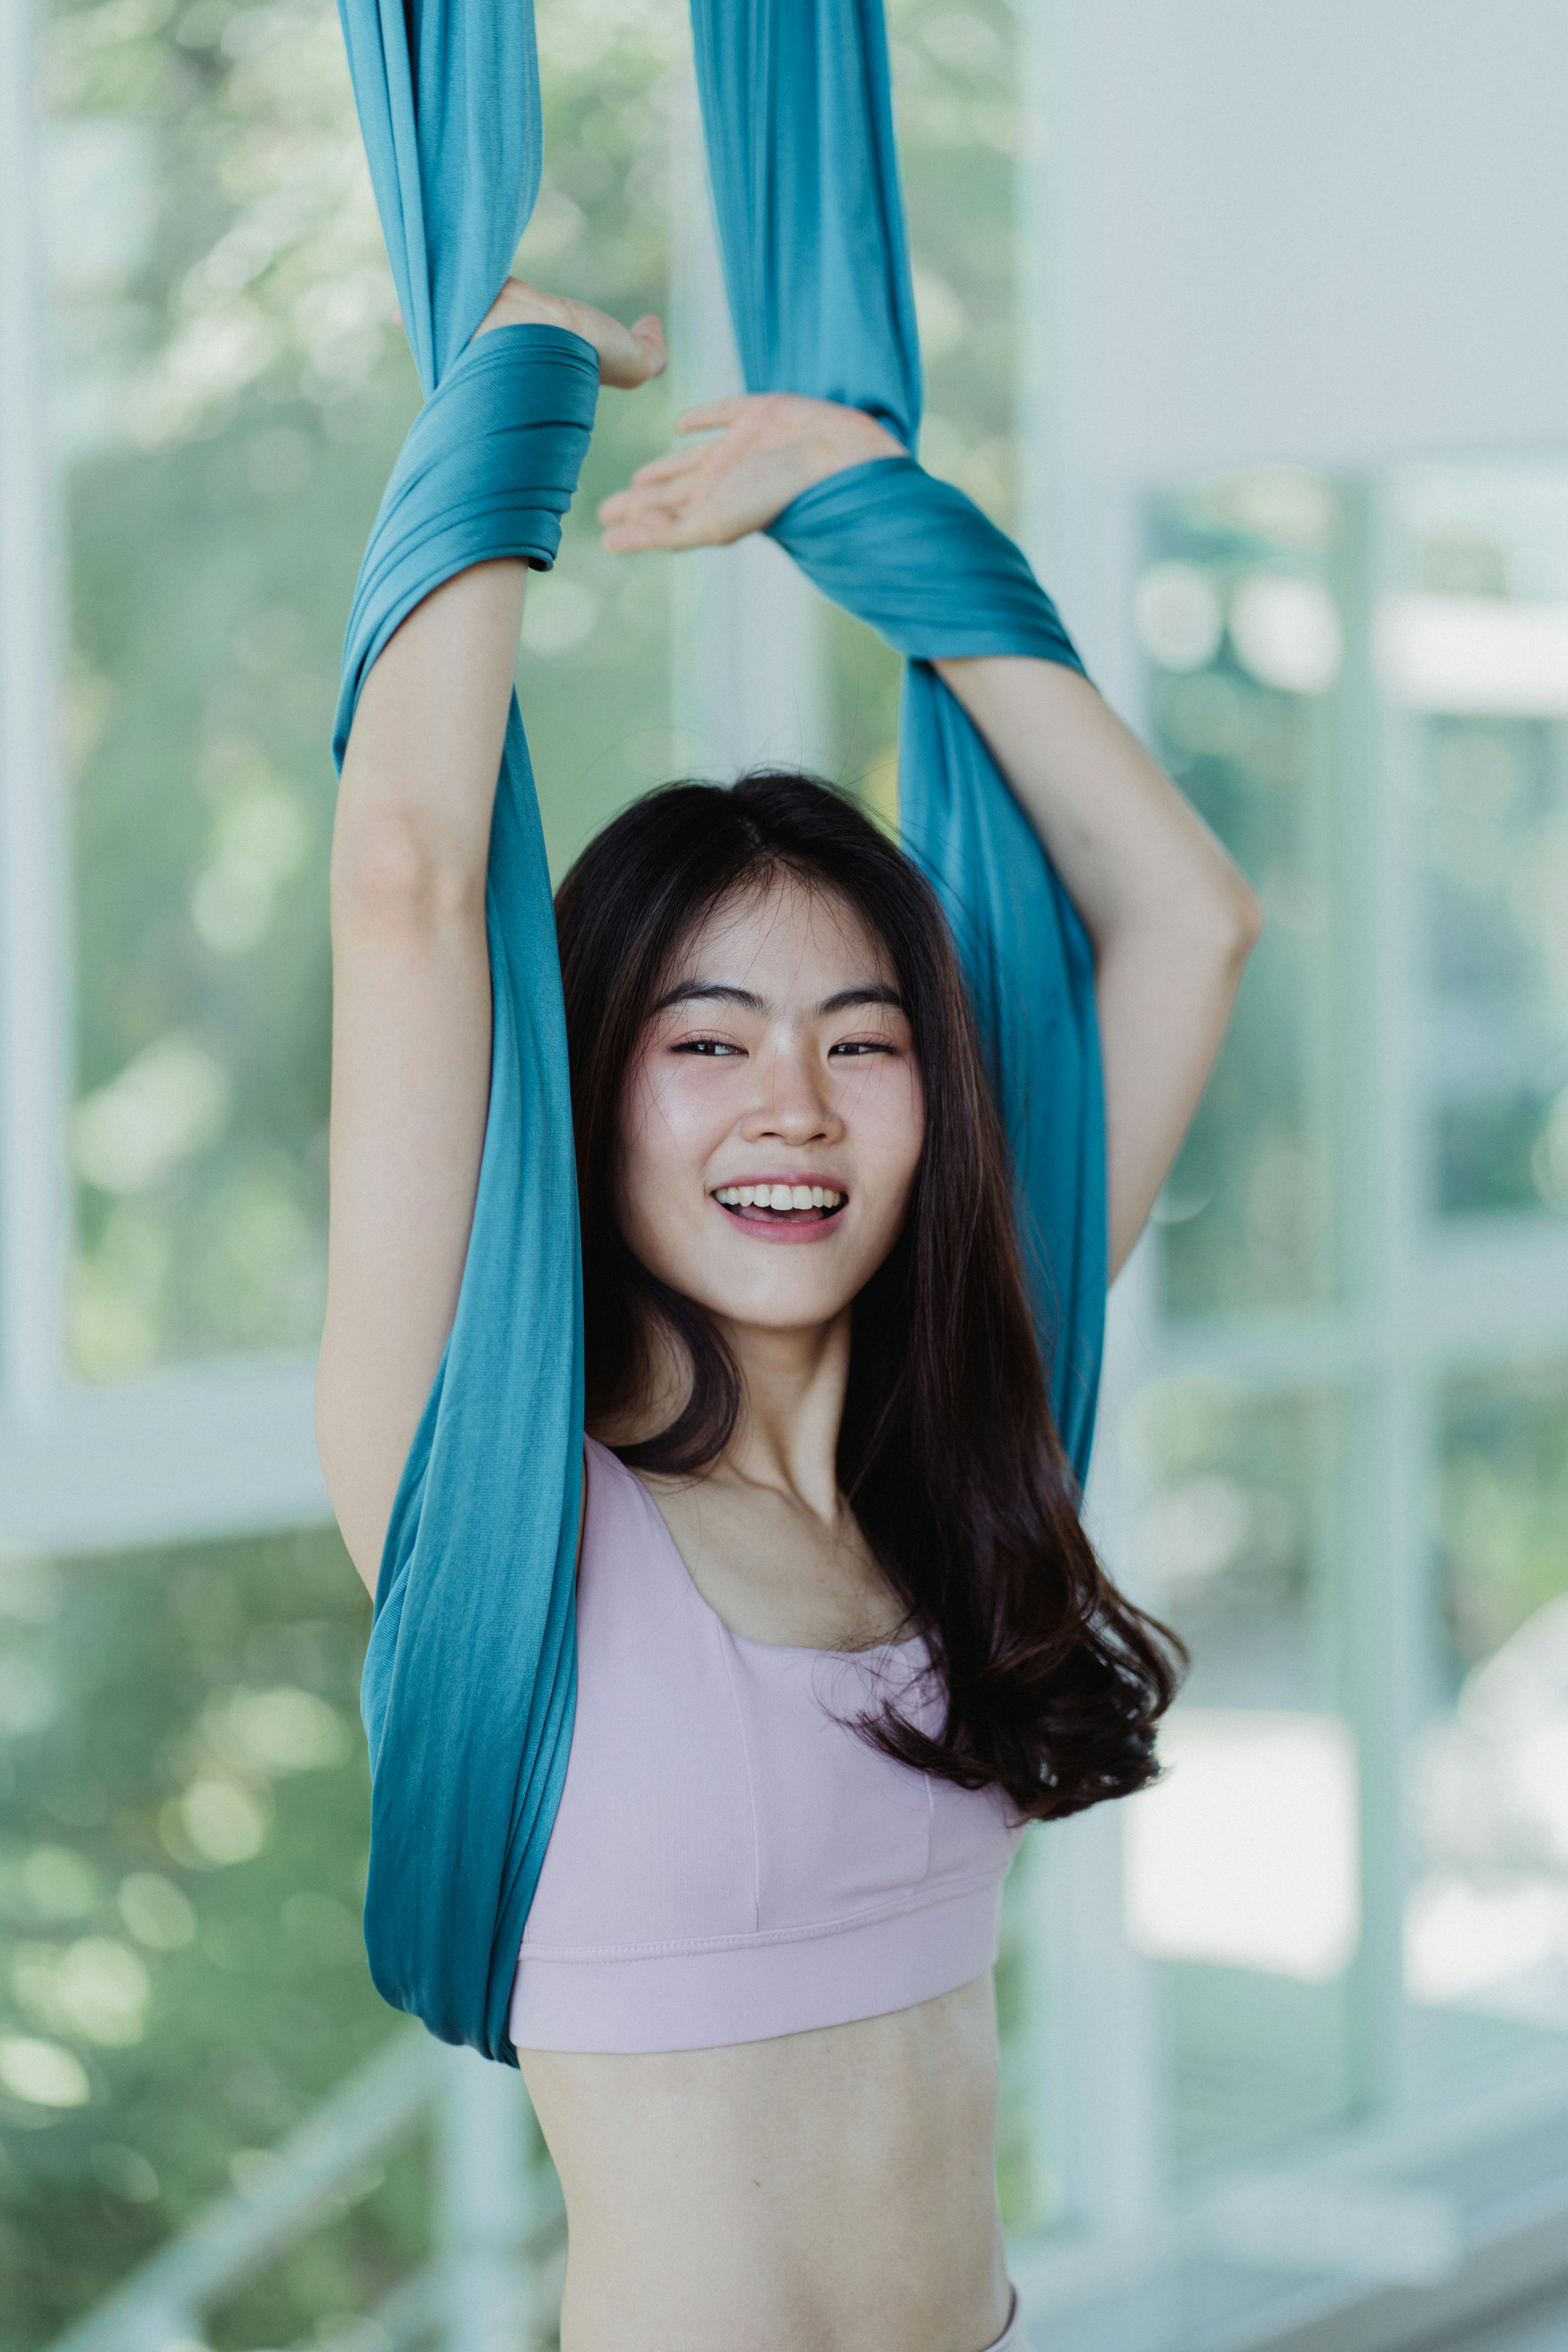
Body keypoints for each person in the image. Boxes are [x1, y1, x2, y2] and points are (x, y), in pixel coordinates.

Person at [316, 278, 1262, 2352]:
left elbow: (1191, 921)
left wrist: (875, 507)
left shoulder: (966, 1435)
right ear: (594, 1088)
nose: (796, 1110)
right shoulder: (491, 1510)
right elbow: (403, 873)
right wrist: (524, 391)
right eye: (707, 1041)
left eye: (864, 1041)